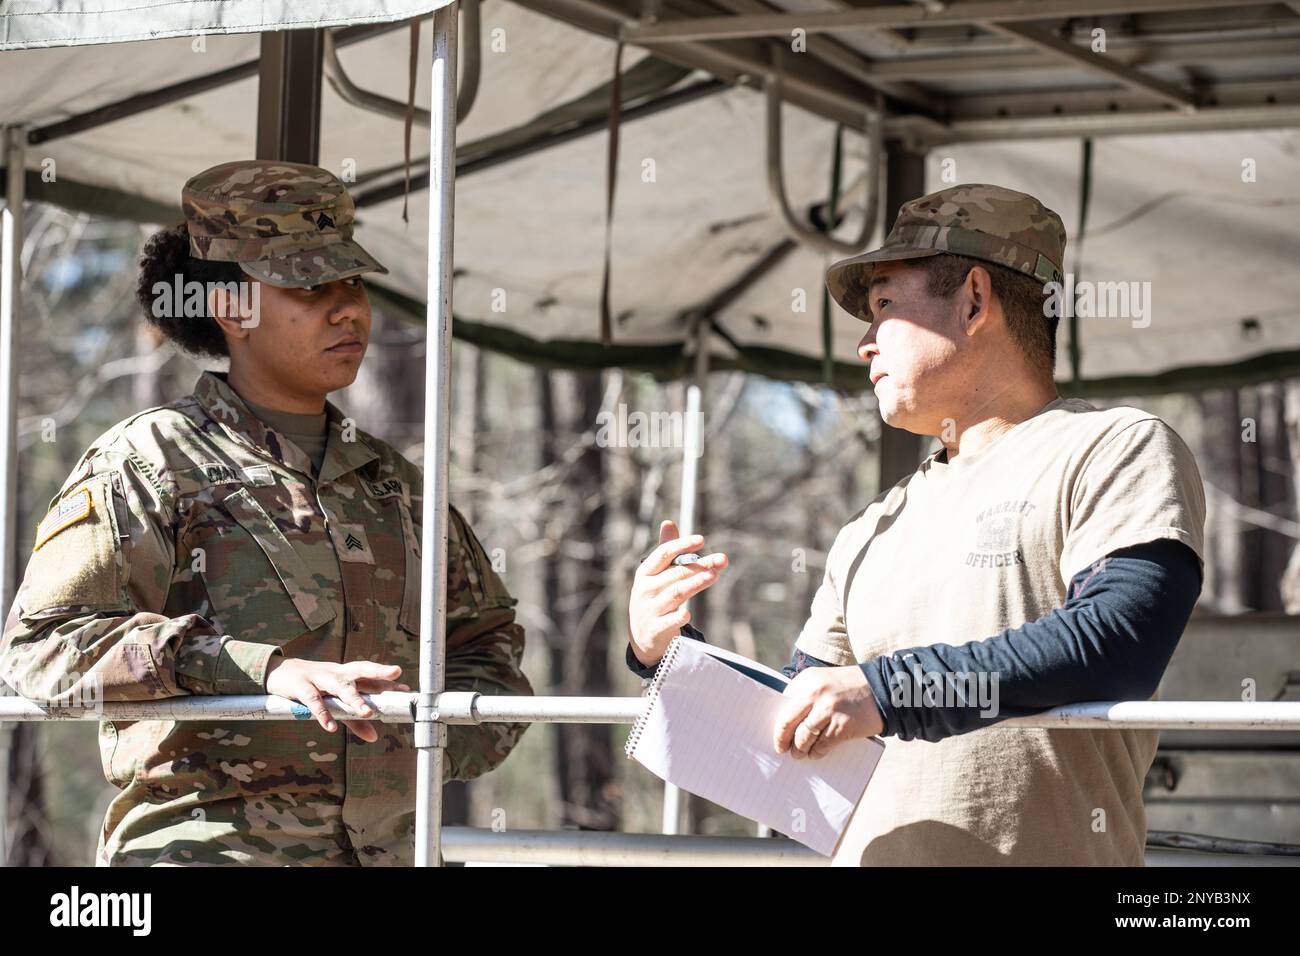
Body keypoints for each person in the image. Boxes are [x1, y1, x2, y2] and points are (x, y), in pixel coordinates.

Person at [626, 184, 1205, 866]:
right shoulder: (871, 526)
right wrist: (667, 654)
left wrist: (887, 690)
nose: (864, 344)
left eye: (883, 307)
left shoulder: (1116, 448)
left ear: (974, 301)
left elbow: (1119, 645)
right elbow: (791, 736)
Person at [0, 159, 534, 866]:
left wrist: (413, 736)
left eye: (352, 282)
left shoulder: (395, 485)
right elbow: (42, 649)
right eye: (311, 286)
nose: (348, 309)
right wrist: (257, 670)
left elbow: (490, 653)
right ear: (233, 310)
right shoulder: (153, 460)